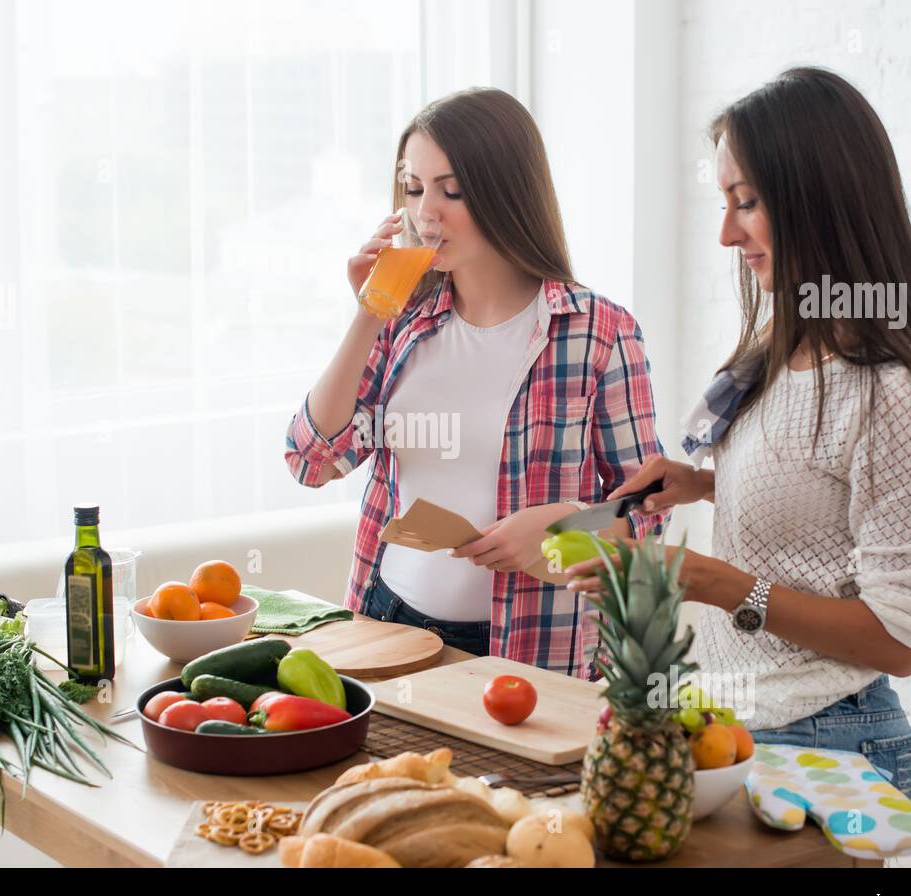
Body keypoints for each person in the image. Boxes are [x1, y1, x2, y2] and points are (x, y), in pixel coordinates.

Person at [566, 68, 911, 798]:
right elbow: (826, 494)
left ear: (817, 198)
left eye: (747, 203)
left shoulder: (893, 392)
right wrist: (702, 483)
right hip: (738, 719)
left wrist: (716, 583)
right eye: (725, 203)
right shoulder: (784, 349)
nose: (727, 234)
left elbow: (897, 639)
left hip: (826, 737)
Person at [284, 87, 665, 678]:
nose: (425, 213)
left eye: (451, 190)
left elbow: (647, 512)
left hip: (526, 649)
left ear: (506, 192)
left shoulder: (599, 333)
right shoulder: (402, 319)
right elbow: (311, 461)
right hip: (386, 624)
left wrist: (565, 529)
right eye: (414, 188)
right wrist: (368, 312)